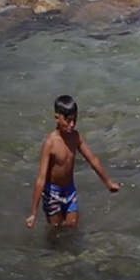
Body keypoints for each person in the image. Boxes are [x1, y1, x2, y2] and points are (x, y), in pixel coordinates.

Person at [26, 95, 120, 228]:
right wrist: (33, 213)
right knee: (56, 230)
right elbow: (41, 178)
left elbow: (92, 159)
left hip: (69, 189)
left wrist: (108, 182)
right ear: (57, 117)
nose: (71, 125)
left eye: (74, 120)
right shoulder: (50, 143)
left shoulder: (75, 137)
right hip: (52, 192)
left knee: (73, 227)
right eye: (68, 120)